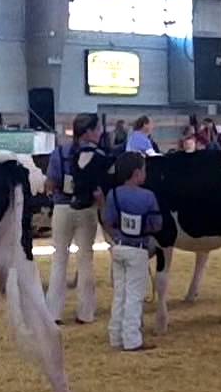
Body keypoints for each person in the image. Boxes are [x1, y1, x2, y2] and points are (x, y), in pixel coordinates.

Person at [45, 113, 104, 325]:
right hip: (86, 209)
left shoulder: (59, 153)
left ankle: (53, 312)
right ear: (87, 132)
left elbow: (50, 184)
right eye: (96, 129)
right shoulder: (98, 155)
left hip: (62, 207)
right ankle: (85, 313)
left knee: (59, 259)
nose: (99, 133)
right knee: (85, 259)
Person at [102, 152, 163, 352]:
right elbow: (156, 224)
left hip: (119, 247)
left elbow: (108, 221)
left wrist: (118, 235)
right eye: (144, 170)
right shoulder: (148, 196)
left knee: (120, 293)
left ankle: (115, 336)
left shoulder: (114, 194)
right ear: (137, 173)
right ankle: (132, 339)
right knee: (135, 296)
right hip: (138, 249)